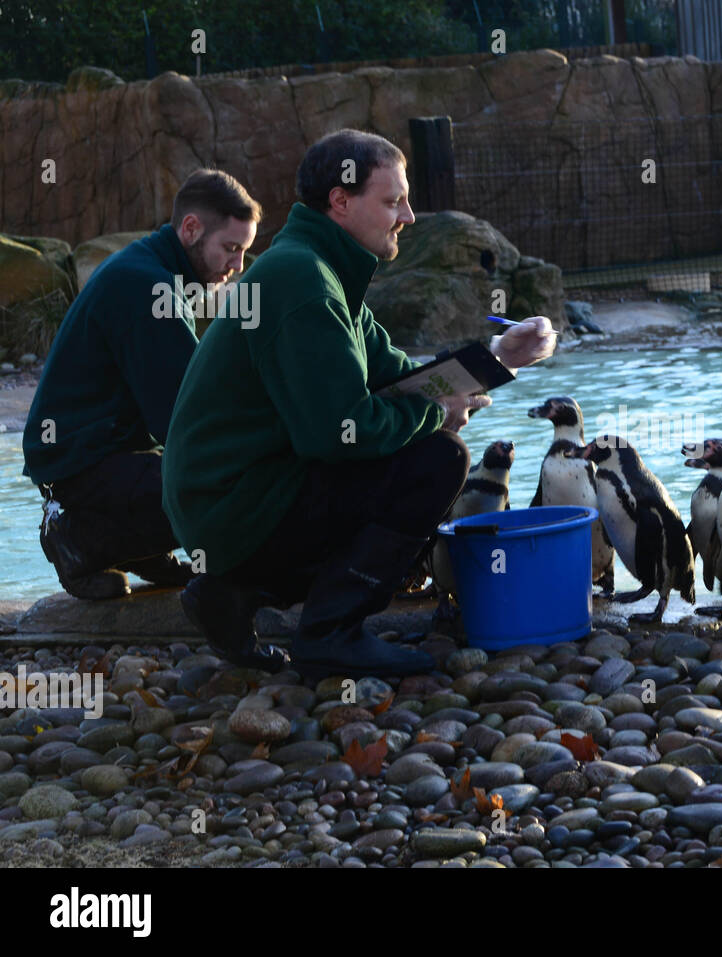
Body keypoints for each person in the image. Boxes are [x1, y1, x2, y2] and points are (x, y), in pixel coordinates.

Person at [162, 129, 555, 678]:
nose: (410, 217)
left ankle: (231, 592)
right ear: (341, 201)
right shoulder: (305, 283)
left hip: (230, 502)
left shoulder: (316, 268)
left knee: (417, 443)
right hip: (232, 509)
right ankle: (329, 634)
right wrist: (434, 415)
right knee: (439, 460)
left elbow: (396, 375)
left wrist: (498, 355)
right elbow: (339, 432)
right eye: (393, 201)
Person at [23, 170, 261, 602]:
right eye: (230, 248)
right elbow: (186, 420)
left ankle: (141, 549)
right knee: (235, 482)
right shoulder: (152, 287)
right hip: (80, 465)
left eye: (243, 252)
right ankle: (79, 540)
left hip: (89, 454)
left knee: (218, 463)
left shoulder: (151, 268)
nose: (238, 266)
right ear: (191, 229)